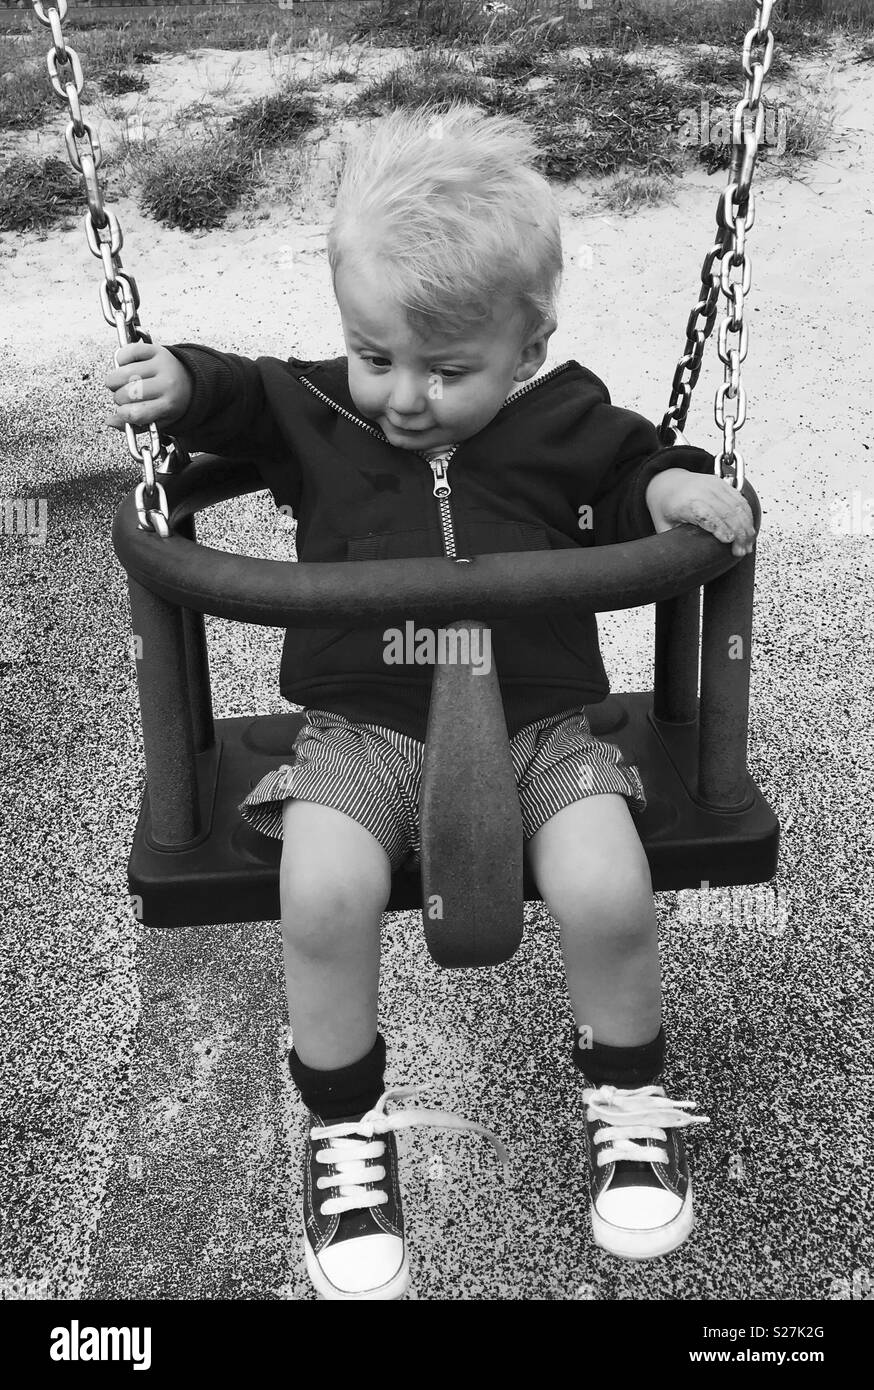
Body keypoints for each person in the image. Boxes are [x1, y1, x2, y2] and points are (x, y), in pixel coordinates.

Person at [105, 101, 755, 1301]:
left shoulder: (567, 422)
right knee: (320, 890)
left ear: (528, 342)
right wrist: (180, 378)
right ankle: (345, 1135)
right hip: (362, 731)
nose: (405, 397)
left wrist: (673, 492)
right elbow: (238, 396)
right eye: (376, 354)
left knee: (610, 889)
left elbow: (634, 474)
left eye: (450, 369)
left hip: (542, 726)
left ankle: (628, 1095)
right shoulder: (322, 412)